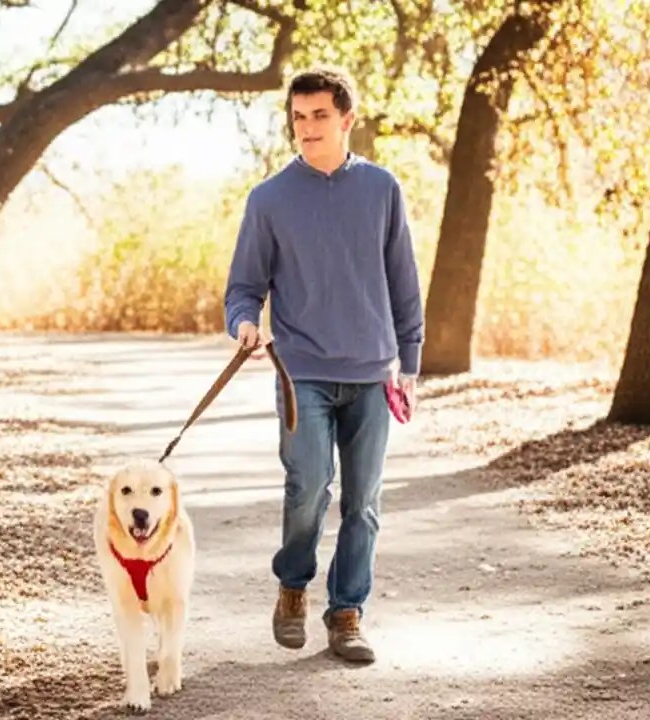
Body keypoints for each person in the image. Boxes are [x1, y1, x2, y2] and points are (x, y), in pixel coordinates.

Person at [223, 66, 424, 664]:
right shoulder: (269, 199)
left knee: (363, 503)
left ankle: (346, 614)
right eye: (298, 117)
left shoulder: (382, 189)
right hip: (301, 371)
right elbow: (243, 287)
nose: (306, 128)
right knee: (308, 487)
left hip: (372, 372)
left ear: (346, 119)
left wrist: (408, 359)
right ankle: (292, 585)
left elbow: (403, 282)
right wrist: (245, 323)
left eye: (319, 116)